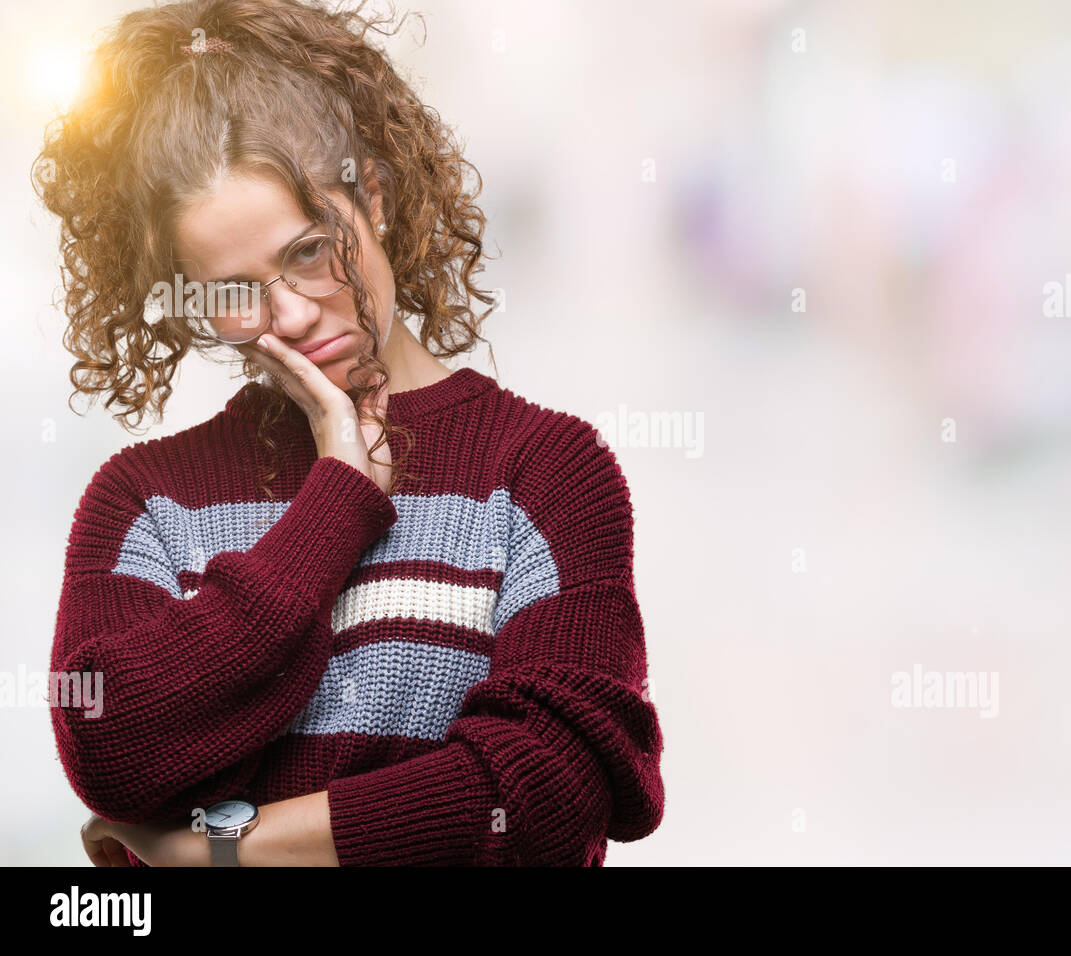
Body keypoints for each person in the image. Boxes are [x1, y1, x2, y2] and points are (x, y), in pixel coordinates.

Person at [33, 0, 664, 866]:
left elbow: (551, 792)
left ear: (371, 194)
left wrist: (217, 854)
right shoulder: (145, 500)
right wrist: (333, 506)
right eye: (233, 292)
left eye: (307, 252)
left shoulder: (545, 473)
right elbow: (113, 749)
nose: (289, 316)